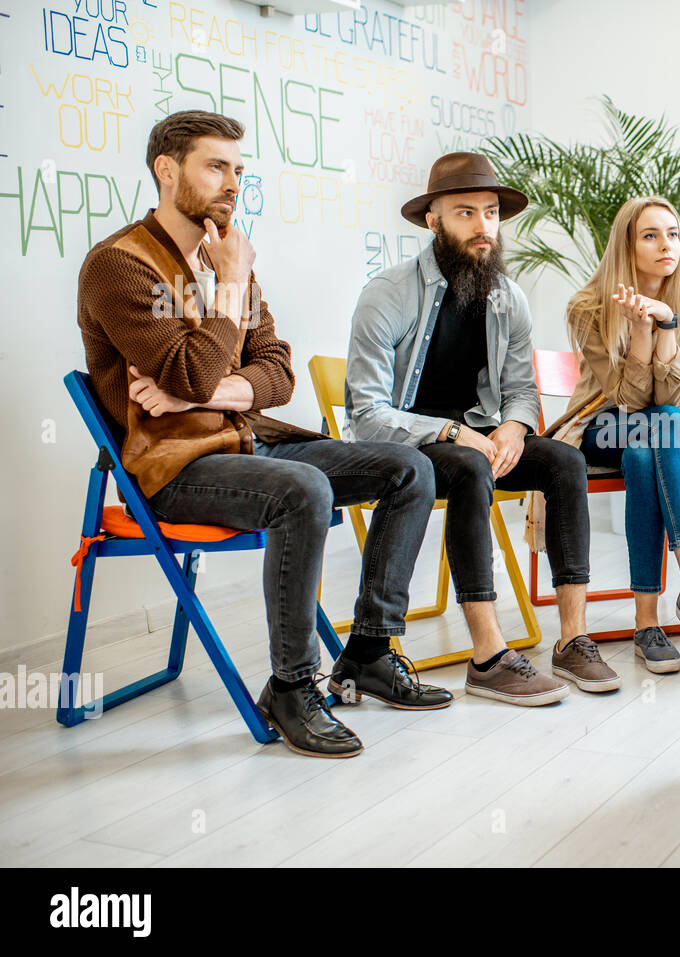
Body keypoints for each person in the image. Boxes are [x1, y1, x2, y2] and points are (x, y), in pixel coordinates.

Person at [77, 110, 449, 759]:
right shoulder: (119, 265)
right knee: (302, 487)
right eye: (215, 166)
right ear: (167, 171)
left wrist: (209, 388)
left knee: (409, 467)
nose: (232, 183)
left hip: (251, 444)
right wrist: (227, 292)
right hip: (175, 466)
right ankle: (292, 684)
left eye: (238, 169)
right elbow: (191, 368)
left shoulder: (228, 260)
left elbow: (277, 370)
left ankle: (367, 651)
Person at [346, 152, 619, 705]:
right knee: (471, 463)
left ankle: (572, 638)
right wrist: (450, 435)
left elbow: (521, 390)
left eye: (491, 213)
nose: (482, 228)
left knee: (564, 461)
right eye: (465, 213)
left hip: (484, 440)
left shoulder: (508, 298)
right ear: (433, 220)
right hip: (412, 451)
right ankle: (489, 655)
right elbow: (367, 414)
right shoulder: (388, 293)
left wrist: (516, 428)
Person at [540, 197, 680, 675]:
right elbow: (627, 402)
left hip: (655, 434)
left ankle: (647, 624)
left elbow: (673, 393)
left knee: (652, 443)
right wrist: (640, 329)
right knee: (660, 423)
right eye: (650, 235)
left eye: (673, 233)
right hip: (599, 426)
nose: (667, 245)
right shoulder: (587, 307)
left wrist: (667, 321)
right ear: (627, 245)